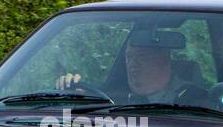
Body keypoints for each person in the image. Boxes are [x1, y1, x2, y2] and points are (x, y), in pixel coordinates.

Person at [55, 30, 197, 104]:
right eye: (129, 57)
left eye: (141, 57)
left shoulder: (194, 100)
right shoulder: (114, 95)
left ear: (164, 60)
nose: (133, 64)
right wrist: (78, 97)